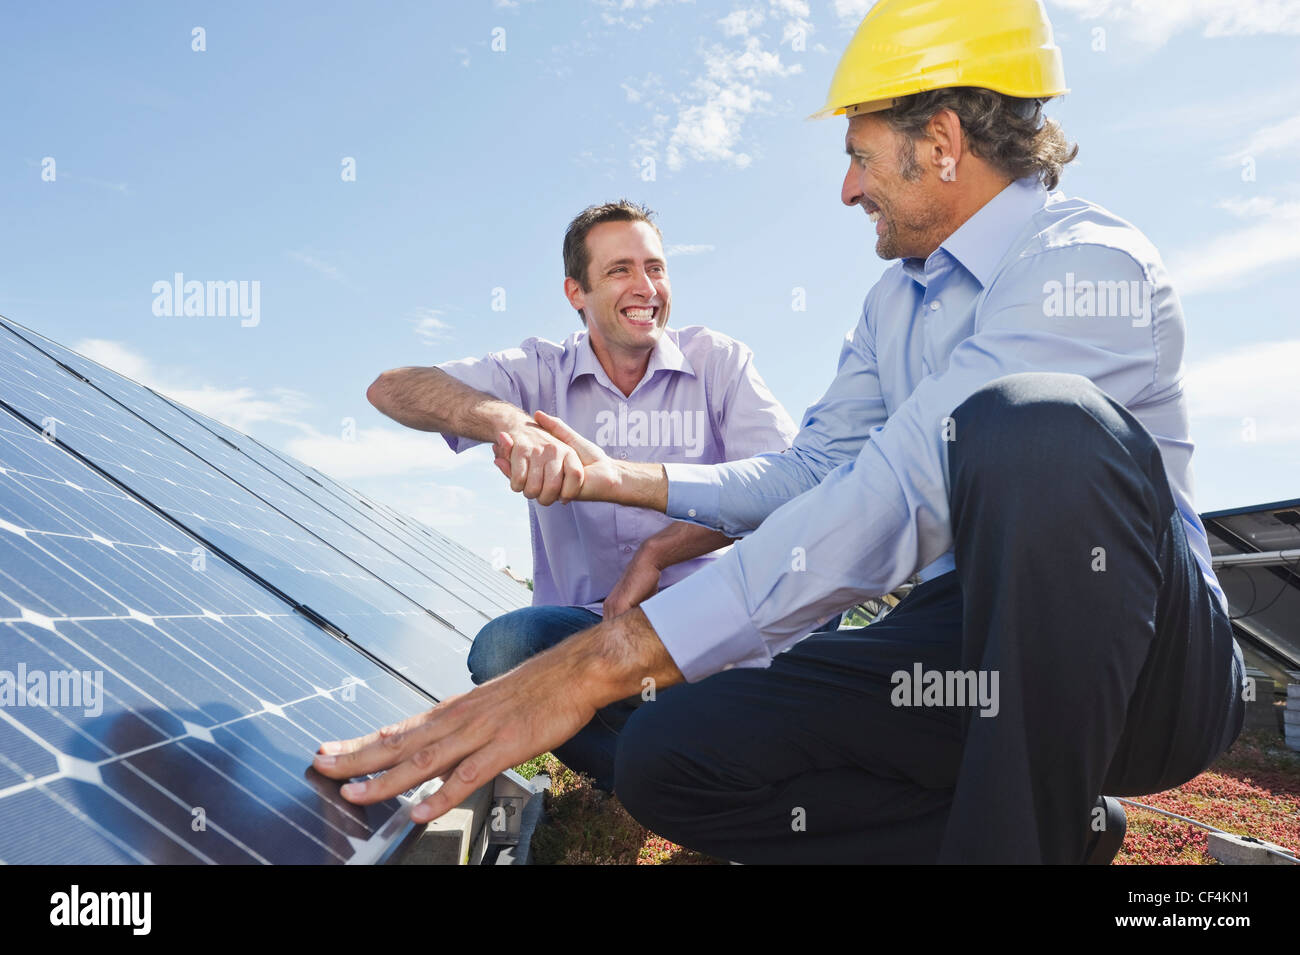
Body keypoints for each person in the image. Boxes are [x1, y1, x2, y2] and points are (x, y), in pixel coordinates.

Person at [320, 0, 1244, 863]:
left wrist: (607, 659)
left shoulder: (1089, 264)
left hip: (1142, 658)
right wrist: (623, 479)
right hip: (952, 634)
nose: (848, 189)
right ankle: (1059, 830)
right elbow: (815, 472)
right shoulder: (896, 303)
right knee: (671, 753)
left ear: (944, 141)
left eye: (863, 155)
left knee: (1033, 427)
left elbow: (900, 487)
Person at [364, 199, 813, 792]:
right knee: (505, 648)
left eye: (655, 267)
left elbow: (781, 483)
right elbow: (392, 387)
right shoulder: (537, 372)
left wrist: (657, 555)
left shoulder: (720, 362)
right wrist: (512, 424)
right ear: (576, 291)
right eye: (621, 270)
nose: (645, 286)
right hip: (589, 625)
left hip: (710, 609)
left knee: (812, 631)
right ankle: (655, 780)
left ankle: (708, 756)